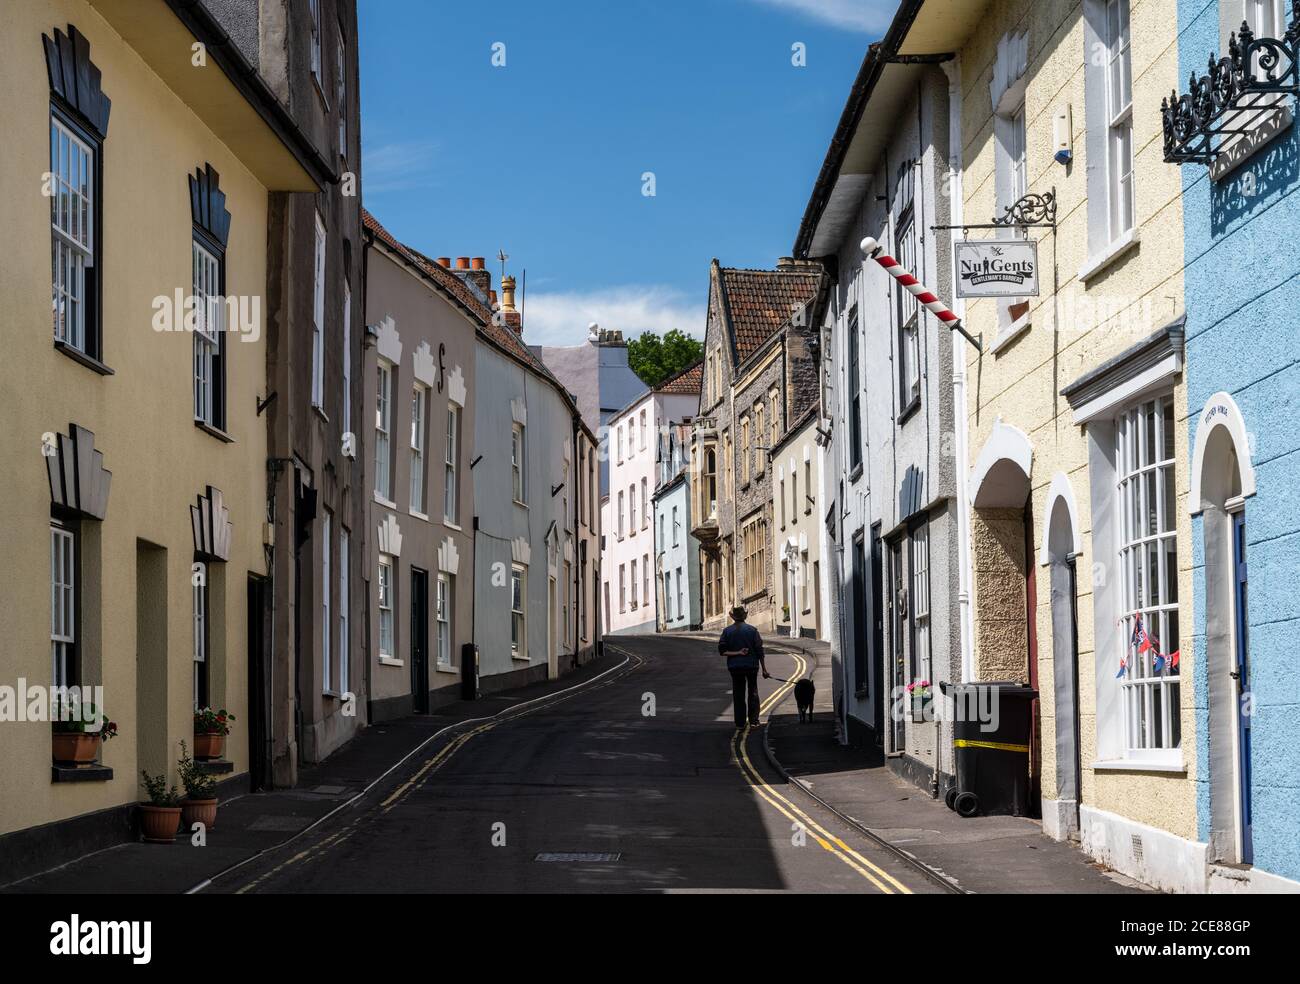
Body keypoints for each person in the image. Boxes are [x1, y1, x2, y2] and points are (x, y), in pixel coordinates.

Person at [719, 605, 769, 731]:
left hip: (735, 667)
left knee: (738, 694)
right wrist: (764, 669)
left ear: (732, 617)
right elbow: (759, 651)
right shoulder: (752, 630)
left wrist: (737, 653)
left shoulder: (727, 632)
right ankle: (754, 721)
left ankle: (740, 723)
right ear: (745, 616)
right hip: (751, 666)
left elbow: (722, 651)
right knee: (753, 692)